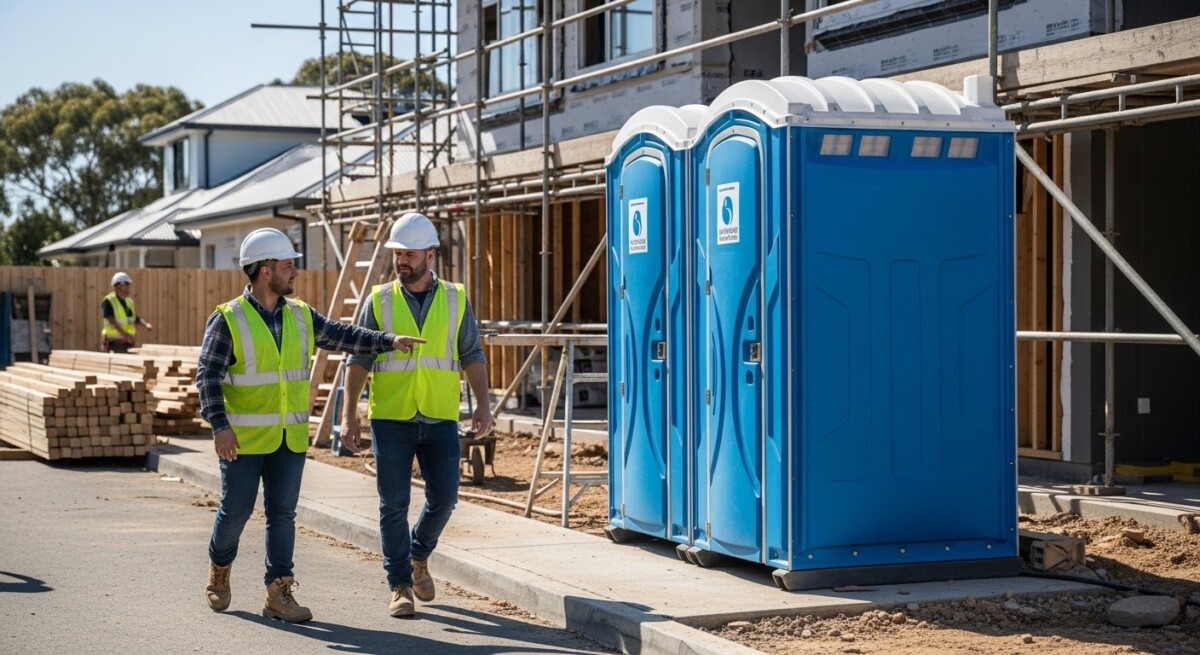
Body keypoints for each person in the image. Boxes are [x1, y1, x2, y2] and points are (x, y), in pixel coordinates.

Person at [196, 227, 424, 624]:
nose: (294, 271)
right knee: (235, 511)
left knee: (282, 515)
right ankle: (220, 567)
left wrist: (387, 340)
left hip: (290, 438)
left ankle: (278, 591)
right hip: (244, 439)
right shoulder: (228, 319)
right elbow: (207, 376)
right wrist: (219, 426)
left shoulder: (300, 314)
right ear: (265, 271)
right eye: (288, 265)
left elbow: (343, 335)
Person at [341, 212, 493, 619]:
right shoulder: (379, 300)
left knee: (444, 499)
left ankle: (418, 555)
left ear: (431, 254)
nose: (401, 260)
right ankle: (400, 585)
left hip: (440, 415)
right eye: (397, 253)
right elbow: (359, 358)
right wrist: (348, 415)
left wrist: (483, 403)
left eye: (409, 253)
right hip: (391, 417)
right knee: (393, 504)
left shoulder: (456, 298)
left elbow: (471, 353)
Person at [101, 272, 152, 353]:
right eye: (127, 285)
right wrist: (125, 335)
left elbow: (134, 318)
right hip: (114, 341)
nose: (128, 287)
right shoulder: (109, 301)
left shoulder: (129, 301)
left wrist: (145, 324)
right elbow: (111, 320)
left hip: (127, 341)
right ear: (121, 285)